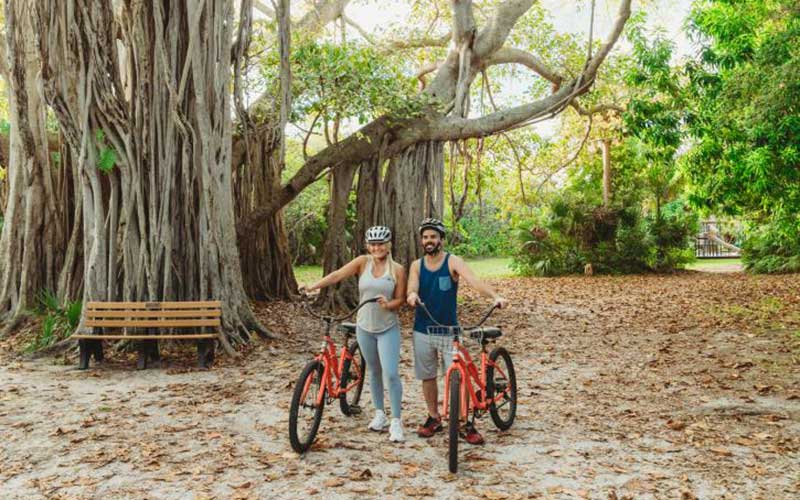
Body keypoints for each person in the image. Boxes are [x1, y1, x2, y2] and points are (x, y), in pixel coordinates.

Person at [406, 217, 508, 445]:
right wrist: (411, 295)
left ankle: (463, 421)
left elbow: (474, 281)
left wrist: (494, 296)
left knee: (457, 377)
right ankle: (434, 417)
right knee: (428, 376)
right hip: (422, 329)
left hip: (449, 331)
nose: (429, 240)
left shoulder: (453, 261)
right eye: (425, 237)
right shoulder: (416, 265)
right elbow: (411, 286)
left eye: (433, 236)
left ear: (441, 239)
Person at [304, 226, 407, 442]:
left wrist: (389, 304)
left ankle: (396, 421)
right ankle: (380, 414)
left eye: (381, 244)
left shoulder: (397, 269)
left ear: (388, 246)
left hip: (387, 328)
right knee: (374, 371)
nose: (377, 248)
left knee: (390, 373)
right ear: (368, 246)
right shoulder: (362, 262)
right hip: (364, 327)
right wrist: (313, 286)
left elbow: (401, 300)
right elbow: (337, 275)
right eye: (373, 244)